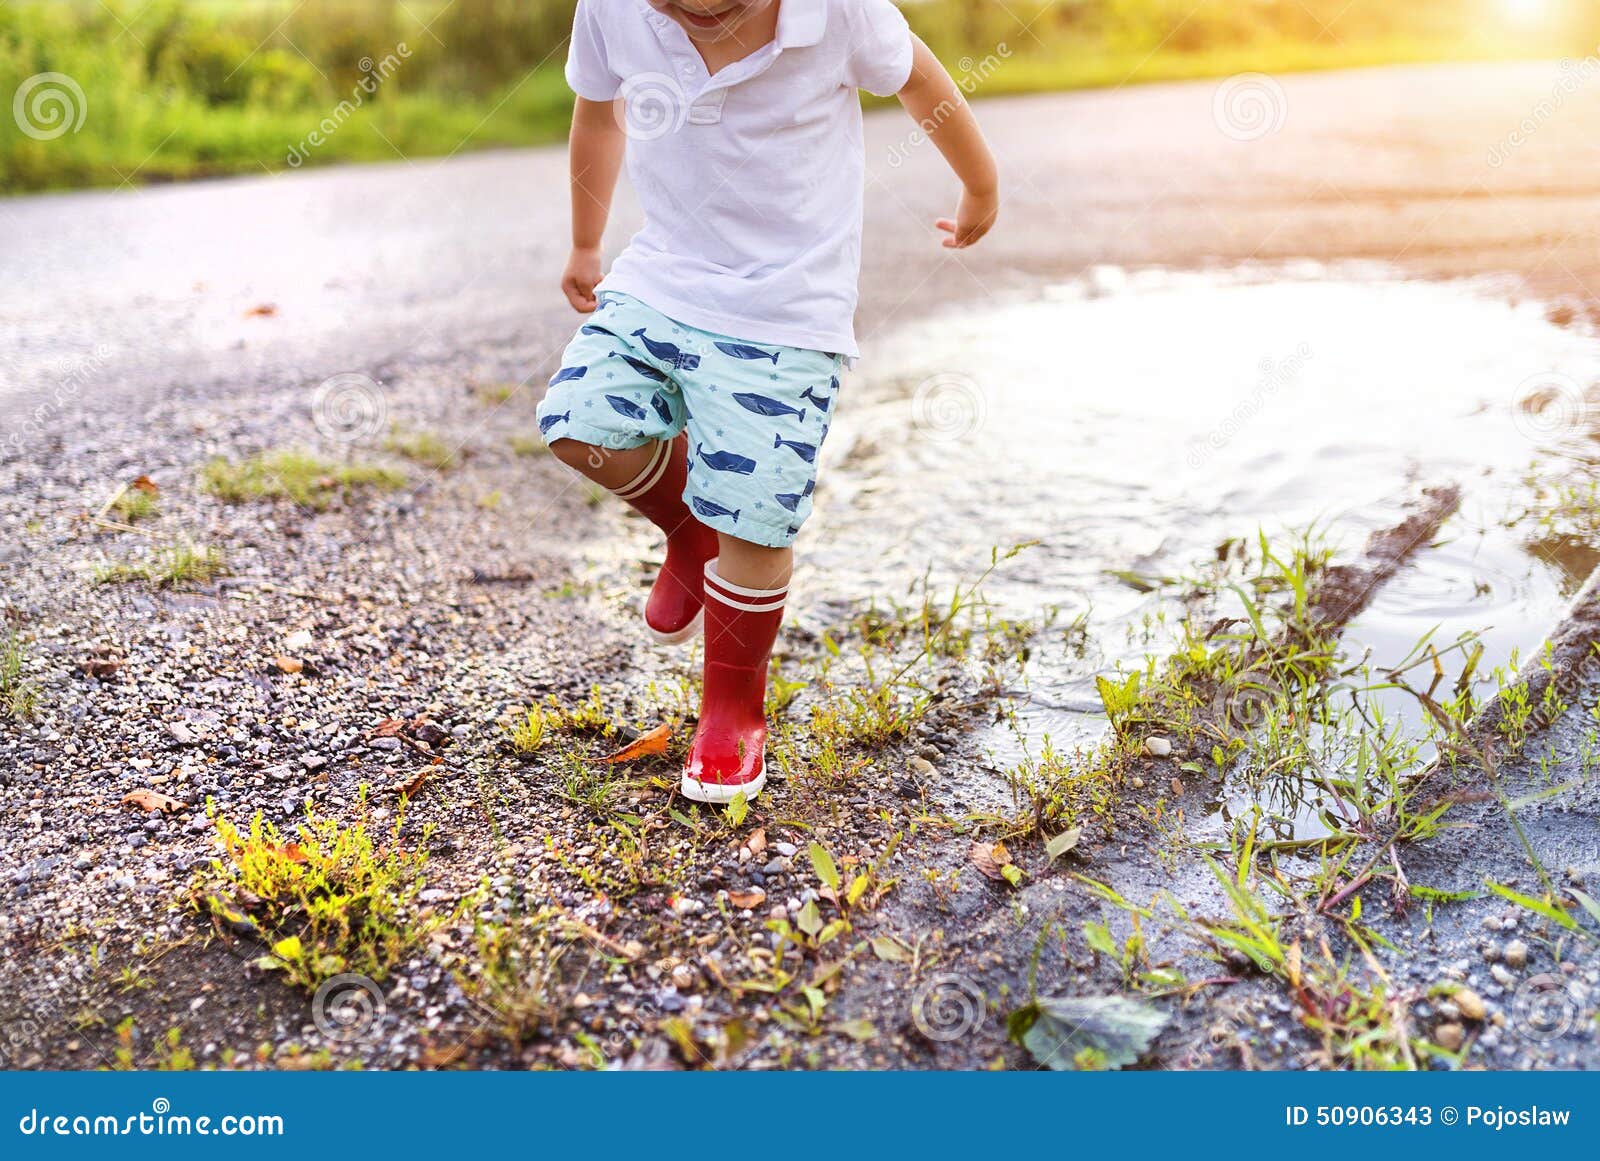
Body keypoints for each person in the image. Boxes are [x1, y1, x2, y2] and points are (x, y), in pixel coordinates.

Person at [537, 0, 998, 802]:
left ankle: (732, 710)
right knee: (581, 421)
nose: (703, 10)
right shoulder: (611, 8)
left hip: (788, 309)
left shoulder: (842, 13)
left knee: (751, 514)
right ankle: (687, 529)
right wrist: (586, 238)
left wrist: (981, 185)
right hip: (664, 277)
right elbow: (599, 112)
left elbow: (921, 80)